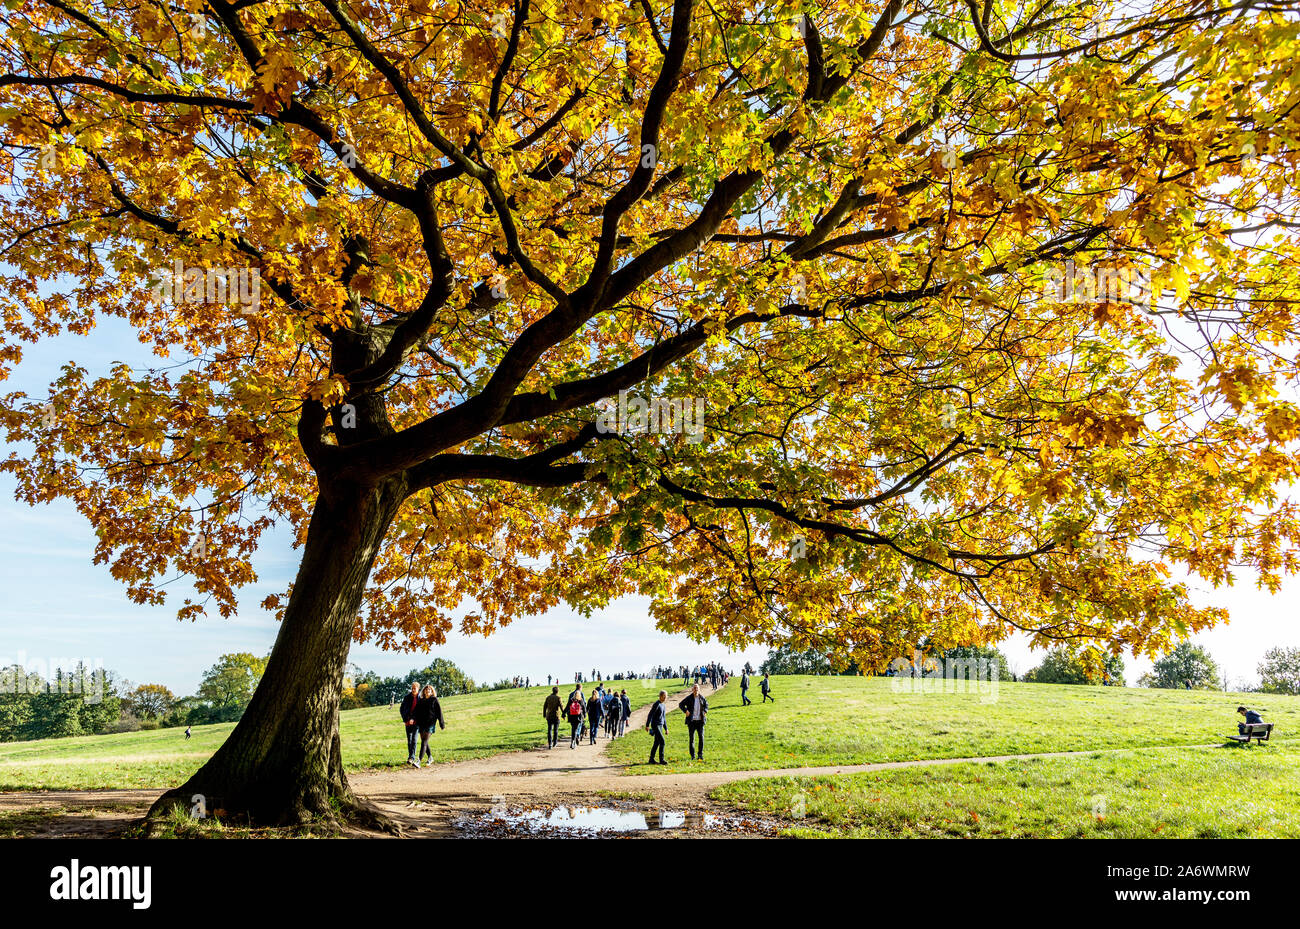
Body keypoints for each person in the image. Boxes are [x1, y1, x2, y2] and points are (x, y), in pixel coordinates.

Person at [415, 684, 445, 764]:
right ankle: (430, 757)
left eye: (429, 690)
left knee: (424, 741)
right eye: (426, 690)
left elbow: (439, 712)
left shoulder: (434, 700)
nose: (427, 691)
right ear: (424, 691)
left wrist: (441, 723)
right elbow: (417, 712)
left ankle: (419, 761)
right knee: (424, 741)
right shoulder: (421, 701)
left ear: (432, 692)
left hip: (430, 724)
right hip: (422, 724)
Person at [678, 683, 708, 761]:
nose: (696, 690)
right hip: (691, 721)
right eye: (694, 688)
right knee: (692, 739)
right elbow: (681, 704)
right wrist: (686, 711)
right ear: (692, 690)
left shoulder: (702, 698)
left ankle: (700, 755)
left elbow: (706, 705)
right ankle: (692, 756)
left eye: (697, 688)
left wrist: (705, 711)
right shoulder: (689, 698)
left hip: (700, 721)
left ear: (699, 690)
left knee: (701, 738)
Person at [400, 681, 422, 767]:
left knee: (414, 739)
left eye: (415, 688)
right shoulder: (407, 697)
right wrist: (406, 719)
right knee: (409, 740)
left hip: (417, 722)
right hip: (407, 722)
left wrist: (414, 718)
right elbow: (402, 709)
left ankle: (412, 757)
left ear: (418, 689)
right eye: (412, 688)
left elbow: (420, 711)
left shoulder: (420, 698)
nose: (413, 690)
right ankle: (410, 757)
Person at [646, 690, 669, 764]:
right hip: (655, 725)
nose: (665, 698)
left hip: (661, 725)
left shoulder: (663, 705)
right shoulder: (657, 704)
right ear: (660, 696)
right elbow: (650, 714)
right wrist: (647, 725)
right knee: (662, 742)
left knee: (657, 743)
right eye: (663, 696)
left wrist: (666, 728)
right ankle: (661, 760)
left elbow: (664, 718)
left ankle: (651, 759)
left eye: (666, 696)